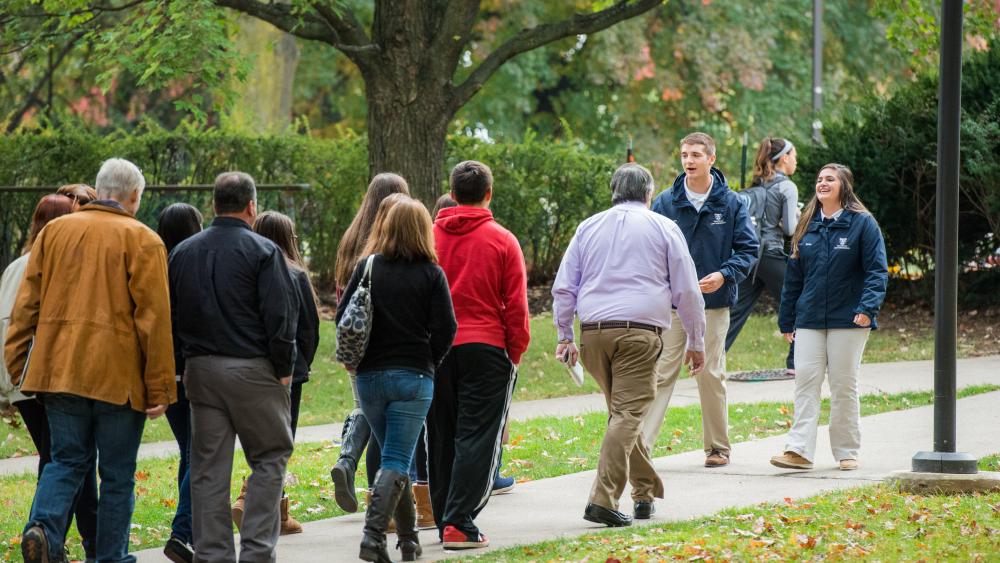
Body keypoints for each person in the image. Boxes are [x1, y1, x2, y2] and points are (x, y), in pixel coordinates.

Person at [5, 159, 176, 563]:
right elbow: (154, 320)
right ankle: (111, 557)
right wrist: (162, 387)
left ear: (99, 192)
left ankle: (43, 527)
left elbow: (25, 306)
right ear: (134, 197)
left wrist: (17, 365)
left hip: (60, 371)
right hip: (118, 379)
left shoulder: (54, 233)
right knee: (116, 475)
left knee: (66, 461)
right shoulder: (143, 239)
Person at [552, 163, 706, 527]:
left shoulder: (587, 227)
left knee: (623, 413)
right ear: (649, 194)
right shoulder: (663, 227)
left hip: (593, 335)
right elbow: (687, 290)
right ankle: (602, 499)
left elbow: (564, 286)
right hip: (639, 334)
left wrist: (565, 335)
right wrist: (696, 341)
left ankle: (644, 493)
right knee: (627, 415)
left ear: (613, 191)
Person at [169, 172, 298, 563]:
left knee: (208, 468)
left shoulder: (183, 253)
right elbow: (279, 315)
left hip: (200, 371)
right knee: (271, 455)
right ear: (251, 207)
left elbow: (172, 316)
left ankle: (213, 555)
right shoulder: (263, 251)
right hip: (253, 368)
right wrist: (284, 368)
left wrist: (180, 366)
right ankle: (257, 552)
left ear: (214, 205)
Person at [338, 198, 457, 562]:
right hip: (413, 378)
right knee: (396, 457)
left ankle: (408, 541)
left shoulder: (368, 266)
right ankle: (373, 537)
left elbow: (344, 316)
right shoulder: (431, 274)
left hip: (369, 379)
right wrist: (429, 362)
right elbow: (447, 328)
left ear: (386, 226)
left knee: (397, 458)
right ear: (424, 231)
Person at [427, 160, 530, 549]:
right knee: (478, 436)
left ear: (452, 193)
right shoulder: (502, 240)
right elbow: (515, 305)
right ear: (488, 194)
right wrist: (516, 349)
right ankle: (458, 520)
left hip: (436, 349)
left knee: (440, 435)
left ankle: (445, 518)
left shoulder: (427, 236)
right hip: (486, 347)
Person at [642, 132, 759, 468]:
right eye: (684, 155)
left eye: (695, 155)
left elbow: (749, 250)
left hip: (715, 304)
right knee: (661, 373)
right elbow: (652, 252)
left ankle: (718, 447)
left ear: (712, 158)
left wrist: (725, 274)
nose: (689, 161)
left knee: (709, 374)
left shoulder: (732, 203)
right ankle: (641, 448)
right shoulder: (665, 202)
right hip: (674, 307)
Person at [0, 193, 99, 562]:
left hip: (17, 378)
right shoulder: (55, 265)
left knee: (67, 459)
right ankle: (44, 534)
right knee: (66, 460)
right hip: (46, 377)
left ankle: (63, 540)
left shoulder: (14, 267)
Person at [770, 164, 888, 471]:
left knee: (843, 384)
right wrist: (787, 320)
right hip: (808, 319)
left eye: (830, 179)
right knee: (805, 383)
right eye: (820, 179)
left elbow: (877, 271)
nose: (822, 183)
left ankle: (846, 451)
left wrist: (867, 308)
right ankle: (798, 451)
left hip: (850, 318)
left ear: (844, 186)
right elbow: (793, 279)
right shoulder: (806, 224)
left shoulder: (863, 224)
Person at [331, 173, 411, 515]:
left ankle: (351, 466)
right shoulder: (390, 240)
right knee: (386, 423)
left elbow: (341, 294)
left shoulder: (351, 237)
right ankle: (377, 495)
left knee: (365, 407)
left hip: (354, 339)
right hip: (389, 345)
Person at [252, 210, 321, 536]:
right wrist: (301, 362)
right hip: (288, 370)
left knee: (259, 441)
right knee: (282, 441)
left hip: (252, 366)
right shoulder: (295, 274)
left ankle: (268, 507)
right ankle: (273, 512)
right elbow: (310, 327)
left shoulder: (248, 270)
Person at [725, 137, 800, 375]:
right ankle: (795, 363)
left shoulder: (758, 185)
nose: (796, 161)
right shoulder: (787, 187)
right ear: (784, 158)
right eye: (794, 156)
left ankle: (708, 360)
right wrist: (797, 215)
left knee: (737, 311)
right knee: (799, 303)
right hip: (771, 254)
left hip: (750, 256)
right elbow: (789, 229)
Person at [156, 202, 204, 563]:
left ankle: (193, 532)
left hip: (165, 373)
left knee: (189, 452)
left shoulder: (156, 267)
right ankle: (183, 530)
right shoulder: (194, 266)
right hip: (194, 370)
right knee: (198, 454)